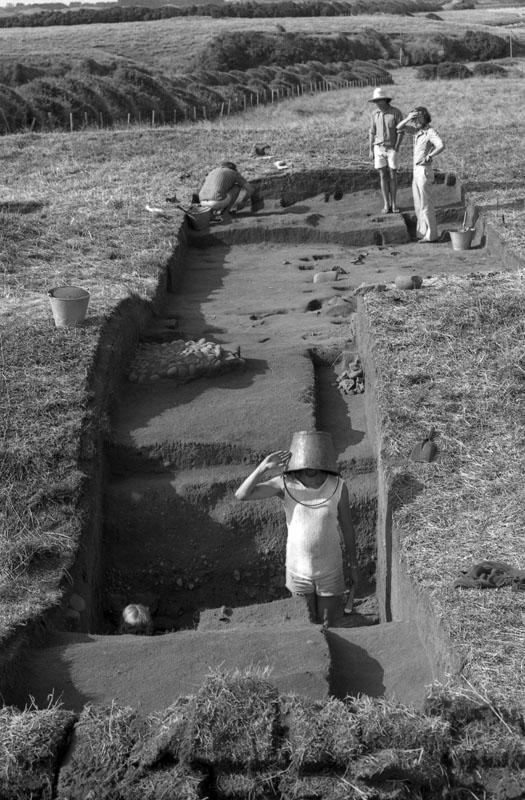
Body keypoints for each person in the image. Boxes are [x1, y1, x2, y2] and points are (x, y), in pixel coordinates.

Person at [234, 433, 358, 627]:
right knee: (306, 624)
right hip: (298, 572)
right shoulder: (284, 484)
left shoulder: (338, 487)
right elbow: (241, 495)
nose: (309, 468)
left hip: (330, 570)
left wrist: (353, 566)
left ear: (324, 459)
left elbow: (348, 530)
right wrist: (263, 468)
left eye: (315, 461)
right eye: (305, 462)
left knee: (328, 623)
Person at [396, 106, 445, 243]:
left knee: (426, 204)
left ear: (424, 118)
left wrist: (430, 156)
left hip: (424, 170)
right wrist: (408, 118)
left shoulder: (430, 132)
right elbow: (398, 128)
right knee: (418, 204)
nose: (415, 121)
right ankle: (422, 232)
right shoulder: (417, 132)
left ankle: (431, 235)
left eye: (418, 118)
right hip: (416, 171)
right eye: (414, 119)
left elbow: (441, 145)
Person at [368, 87, 405, 214]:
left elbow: (401, 131)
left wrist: (397, 147)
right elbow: (372, 132)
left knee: (393, 176)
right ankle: (386, 203)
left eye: (379, 100)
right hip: (378, 148)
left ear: (385, 100)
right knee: (383, 175)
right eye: (375, 101)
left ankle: (394, 203)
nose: (377, 103)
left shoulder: (396, 112)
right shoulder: (374, 114)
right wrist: (371, 150)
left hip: (392, 148)